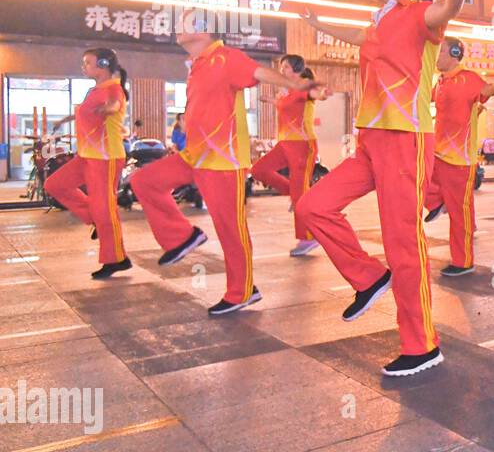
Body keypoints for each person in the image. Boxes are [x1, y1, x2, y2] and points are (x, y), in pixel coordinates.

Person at [296, 0, 480, 374]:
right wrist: (319, 23)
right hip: (370, 141)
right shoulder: (378, 22)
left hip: (405, 139)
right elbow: (359, 35)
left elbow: (447, 10)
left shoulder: (420, 15)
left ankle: (421, 345)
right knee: (313, 205)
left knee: (402, 242)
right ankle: (368, 277)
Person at [131, 19, 326, 315]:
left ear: (203, 30)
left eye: (186, 22)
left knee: (230, 230)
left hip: (224, 161)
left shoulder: (226, 57)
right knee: (143, 181)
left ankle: (242, 291)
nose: (178, 27)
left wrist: (297, 83)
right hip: (193, 156)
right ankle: (181, 236)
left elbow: (259, 72)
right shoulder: (197, 64)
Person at [422, 36, 494, 274]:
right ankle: (436, 202)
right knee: (415, 178)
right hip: (437, 153)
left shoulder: (469, 79)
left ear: (454, 53)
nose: (436, 56)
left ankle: (462, 262)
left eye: (440, 51)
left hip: (460, 161)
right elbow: (426, 98)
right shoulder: (441, 82)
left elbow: (487, 90)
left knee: (459, 214)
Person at [45, 48, 132, 279]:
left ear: (103, 64)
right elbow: (87, 113)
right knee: (55, 185)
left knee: (106, 209)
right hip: (86, 155)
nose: (83, 67)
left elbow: (115, 104)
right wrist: (66, 119)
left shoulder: (114, 88)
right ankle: (93, 217)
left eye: (88, 63)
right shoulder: (95, 89)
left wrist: (109, 109)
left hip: (106, 157)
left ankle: (117, 259)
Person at [250, 54, 322, 257]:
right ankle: (293, 194)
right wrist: (271, 100)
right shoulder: (287, 91)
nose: (282, 70)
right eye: (281, 67)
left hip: (302, 146)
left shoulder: (303, 87)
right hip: (284, 145)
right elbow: (287, 106)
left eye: (286, 67)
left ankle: (308, 238)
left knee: (301, 194)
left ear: (297, 69)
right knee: (258, 170)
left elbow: (313, 92)